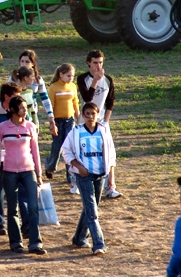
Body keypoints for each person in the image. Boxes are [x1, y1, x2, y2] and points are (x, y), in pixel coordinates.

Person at [62, 101, 116, 256]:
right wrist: (79, 167)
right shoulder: (76, 132)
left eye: (93, 114)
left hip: (100, 174)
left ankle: (79, 238)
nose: (91, 117)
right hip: (83, 175)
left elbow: (111, 154)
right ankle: (99, 243)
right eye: (87, 114)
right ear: (83, 116)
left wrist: (110, 176)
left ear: (98, 114)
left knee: (91, 207)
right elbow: (65, 150)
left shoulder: (103, 131)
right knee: (92, 211)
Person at [0, 96, 46, 255]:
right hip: (9, 171)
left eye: (25, 107)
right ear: (12, 109)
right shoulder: (2, 127)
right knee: (12, 208)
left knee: (33, 207)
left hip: (28, 170)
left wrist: (39, 173)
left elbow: (35, 151)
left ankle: (35, 243)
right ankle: (16, 242)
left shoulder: (30, 126)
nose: (25, 110)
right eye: (22, 107)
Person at [77, 50, 121, 199]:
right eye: (95, 62)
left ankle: (110, 186)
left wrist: (106, 121)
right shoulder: (82, 78)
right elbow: (87, 98)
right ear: (88, 63)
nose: (98, 66)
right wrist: (95, 81)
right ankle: (78, 182)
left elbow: (110, 102)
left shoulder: (108, 80)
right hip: (85, 122)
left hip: (101, 122)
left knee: (109, 154)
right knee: (83, 152)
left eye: (100, 62)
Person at [0, 82, 24, 236]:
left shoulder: (21, 113)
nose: (19, 100)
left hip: (16, 159)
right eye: (15, 96)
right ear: (6, 97)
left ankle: (19, 223)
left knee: (17, 193)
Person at [46, 63, 79, 187]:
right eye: (68, 75)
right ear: (61, 74)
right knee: (57, 146)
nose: (71, 78)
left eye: (72, 76)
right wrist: (52, 122)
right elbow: (50, 106)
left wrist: (79, 118)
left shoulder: (73, 86)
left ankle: (70, 174)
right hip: (57, 121)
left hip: (70, 120)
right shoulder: (53, 87)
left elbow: (75, 103)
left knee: (69, 147)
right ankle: (50, 167)